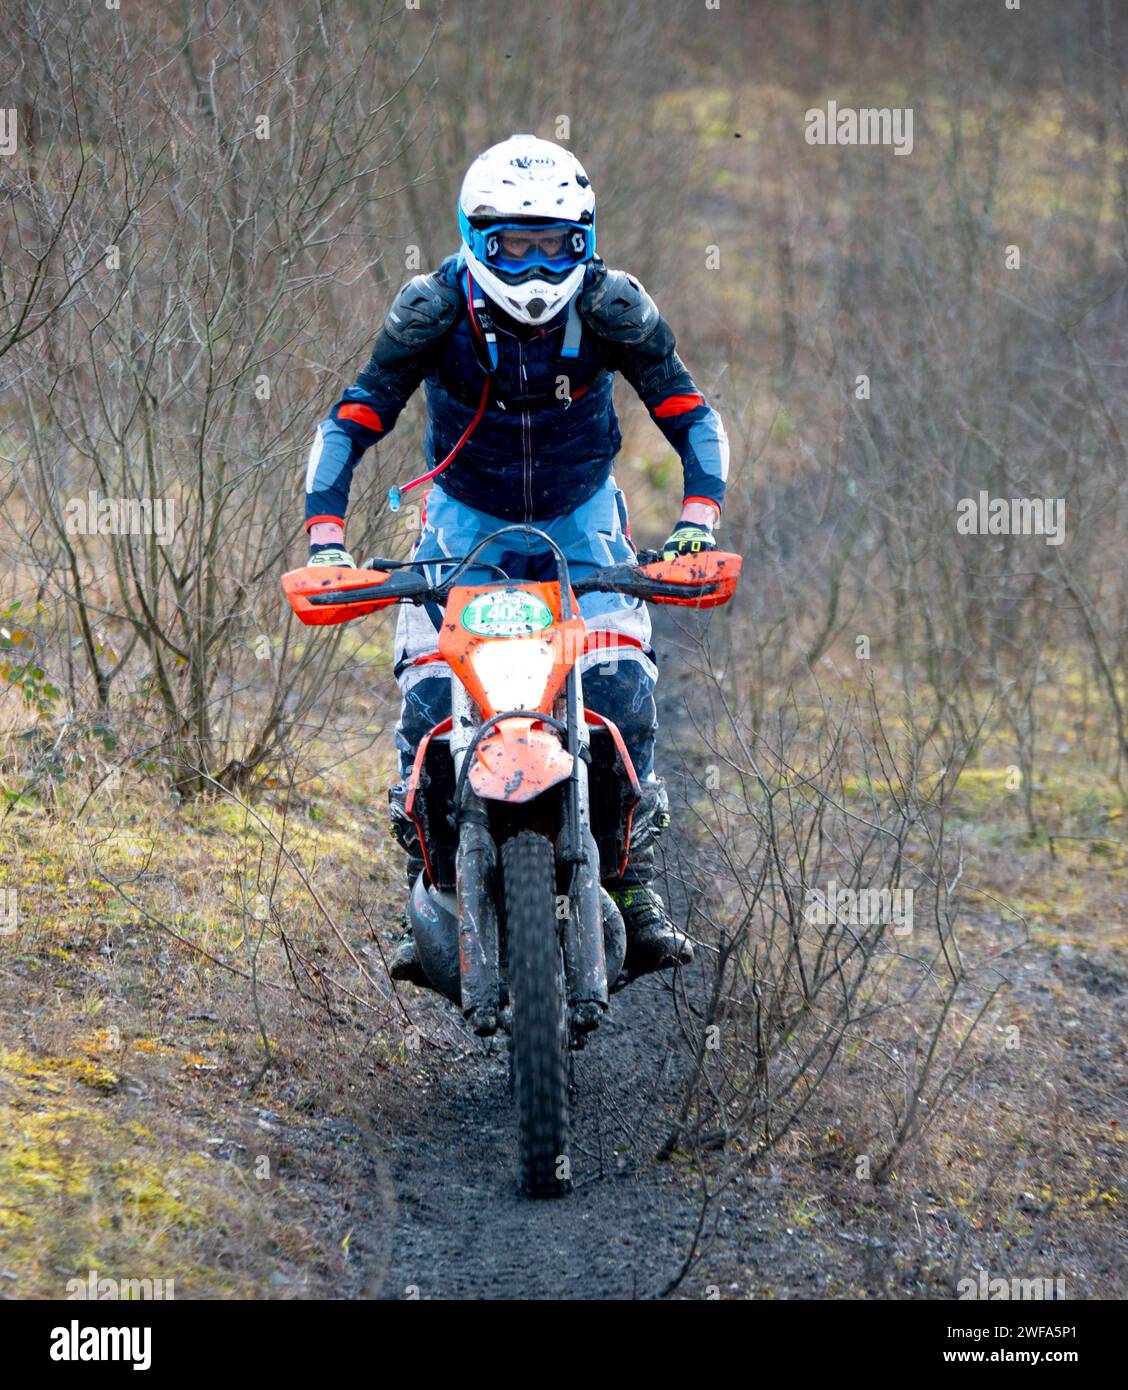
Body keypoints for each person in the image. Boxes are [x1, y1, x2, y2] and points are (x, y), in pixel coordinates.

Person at [302, 134, 729, 984]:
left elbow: (693, 414)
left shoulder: (614, 309)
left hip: (581, 522)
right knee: (430, 696)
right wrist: (326, 538)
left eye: (555, 246)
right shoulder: (431, 310)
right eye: (513, 246)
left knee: (620, 683)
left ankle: (634, 888)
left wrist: (696, 522)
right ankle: (426, 881)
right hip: (463, 526)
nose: (535, 269)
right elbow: (352, 417)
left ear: (587, 242)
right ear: (475, 238)